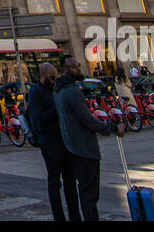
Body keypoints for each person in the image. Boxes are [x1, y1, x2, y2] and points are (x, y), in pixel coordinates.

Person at [55, 54, 123, 220]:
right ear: (65, 70)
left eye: (78, 65)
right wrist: (111, 127)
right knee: (90, 195)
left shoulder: (59, 91)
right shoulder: (71, 92)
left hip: (71, 146)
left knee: (85, 192)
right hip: (84, 148)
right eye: (74, 66)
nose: (79, 68)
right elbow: (88, 120)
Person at [29, 62, 80, 220]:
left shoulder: (56, 89)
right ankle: (59, 217)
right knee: (54, 181)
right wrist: (56, 108)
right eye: (52, 77)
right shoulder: (36, 92)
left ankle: (75, 216)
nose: (54, 80)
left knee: (70, 180)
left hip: (64, 138)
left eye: (55, 77)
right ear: (44, 76)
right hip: (49, 141)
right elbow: (39, 117)